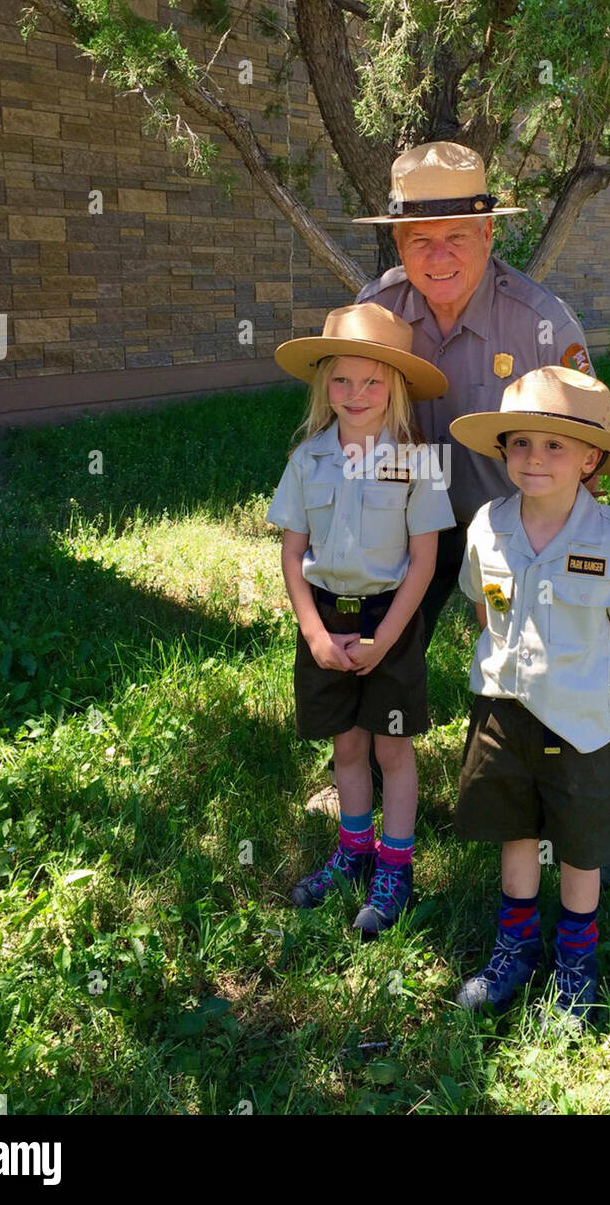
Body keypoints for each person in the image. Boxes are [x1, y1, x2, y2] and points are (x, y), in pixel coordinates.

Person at [447, 366, 610, 1026]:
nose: (534, 458)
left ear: (591, 457)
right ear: (503, 451)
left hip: (577, 723)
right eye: (520, 444)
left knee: (579, 843)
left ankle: (576, 958)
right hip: (501, 710)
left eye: (555, 445)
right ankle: (515, 946)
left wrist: (588, 687)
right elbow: (488, 610)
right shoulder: (487, 525)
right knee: (514, 828)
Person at [352, 139, 599, 649]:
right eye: (420, 240)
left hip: (512, 523)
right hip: (404, 516)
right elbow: (347, 419)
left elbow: (586, 446)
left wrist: (578, 551)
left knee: (522, 652)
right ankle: (392, 721)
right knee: (382, 648)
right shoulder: (376, 310)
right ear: (398, 243)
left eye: (457, 237)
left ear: (488, 234)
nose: (438, 257)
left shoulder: (541, 324)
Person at [266, 303, 456, 938]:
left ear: (396, 388)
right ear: (324, 385)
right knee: (347, 745)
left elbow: (426, 561)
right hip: (325, 617)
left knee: (392, 747)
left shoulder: (417, 461)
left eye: (373, 381)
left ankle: (395, 866)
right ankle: (353, 852)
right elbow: (292, 554)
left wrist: (388, 639)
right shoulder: (306, 459)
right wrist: (316, 635)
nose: (356, 394)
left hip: (390, 620)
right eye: (341, 381)